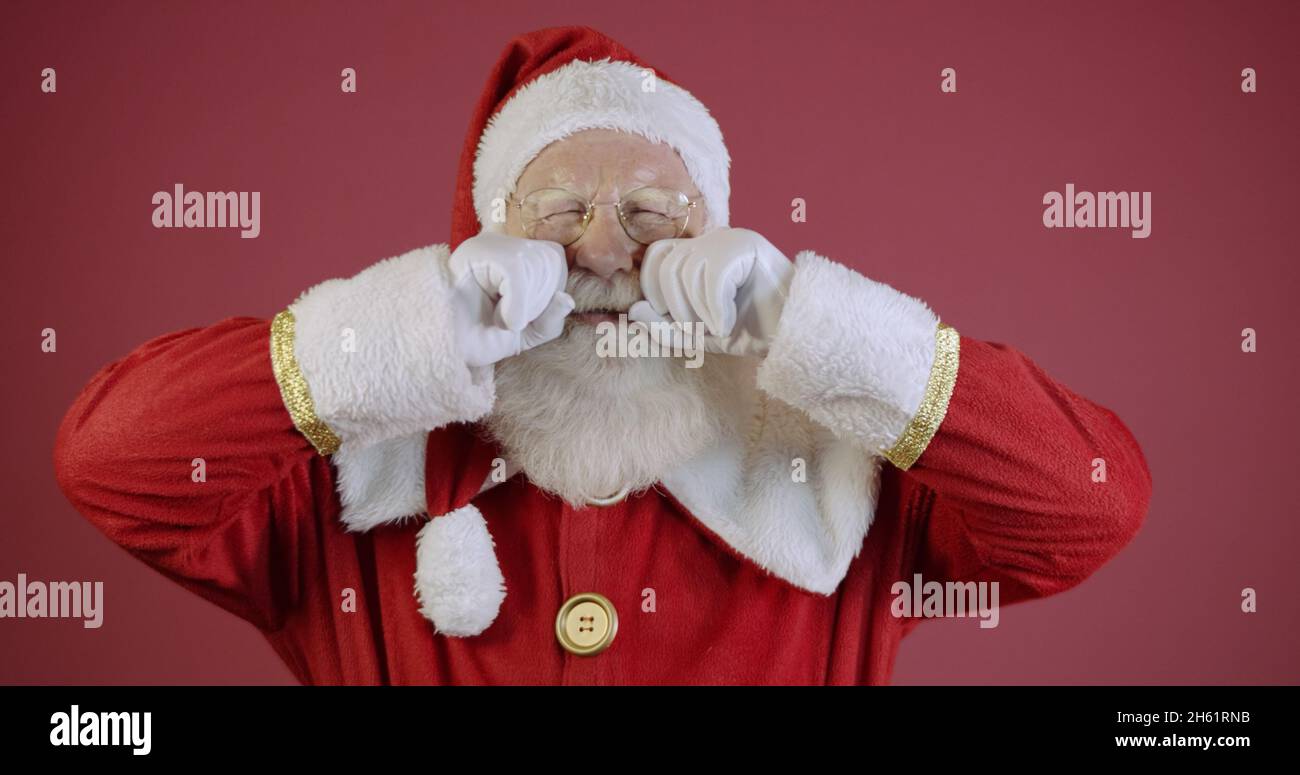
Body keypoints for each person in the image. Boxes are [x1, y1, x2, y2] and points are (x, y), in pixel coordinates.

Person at [54, 26, 1151, 684]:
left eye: (651, 213)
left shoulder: (828, 476)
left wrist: (803, 317)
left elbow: (1088, 503)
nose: (601, 251)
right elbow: (112, 460)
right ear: (483, 242)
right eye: (558, 210)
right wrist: (415, 325)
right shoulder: (353, 477)